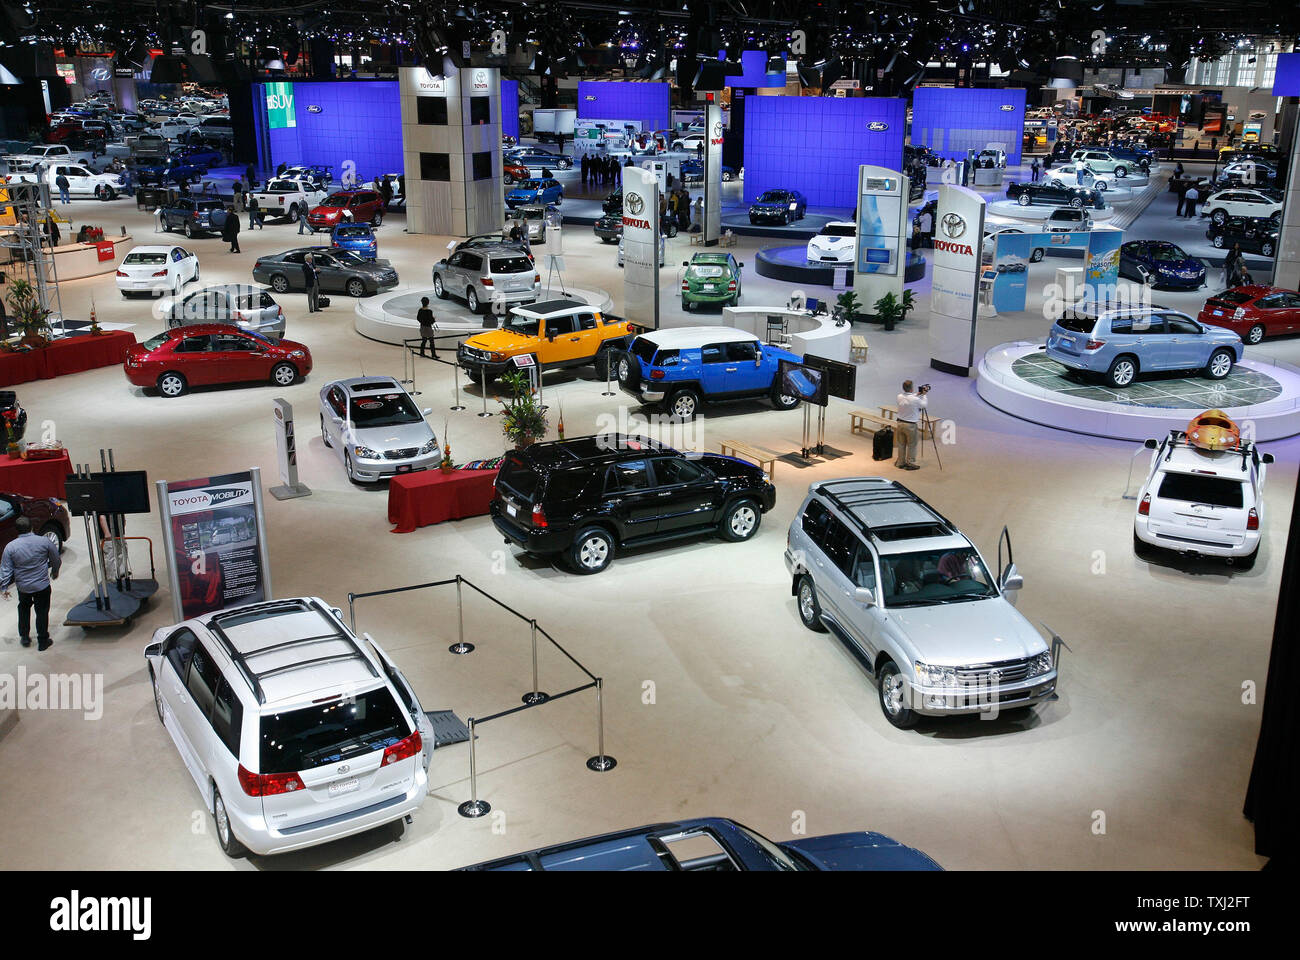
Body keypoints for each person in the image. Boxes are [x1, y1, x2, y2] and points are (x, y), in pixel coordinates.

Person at [1, 516, 61, 650]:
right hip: (42, 585)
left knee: (23, 609)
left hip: (23, 587)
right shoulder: (44, 542)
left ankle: (25, 637)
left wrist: (4, 587)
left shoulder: (11, 547)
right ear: (31, 527)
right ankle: (43, 641)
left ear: (17, 530)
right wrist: (55, 571)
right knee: (42, 611)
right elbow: (55, 558)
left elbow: (5, 569)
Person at [894, 380, 930, 471]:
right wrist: (924, 395)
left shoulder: (899, 396)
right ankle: (910, 462)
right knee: (912, 444)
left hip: (899, 423)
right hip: (910, 425)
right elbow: (924, 405)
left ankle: (900, 462)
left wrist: (917, 394)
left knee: (901, 444)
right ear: (911, 388)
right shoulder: (915, 399)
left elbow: (909, 398)